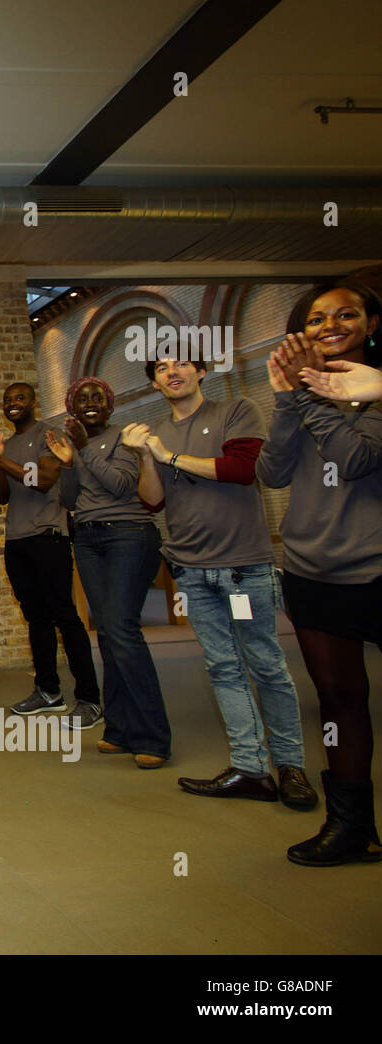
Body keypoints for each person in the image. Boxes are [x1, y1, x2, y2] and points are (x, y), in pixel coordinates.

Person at [122, 356, 317, 811]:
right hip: (190, 567)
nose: (172, 373)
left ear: (201, 372)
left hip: (243, 565)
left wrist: (166, 455)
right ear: (153, 382)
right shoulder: (155, 433)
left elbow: (241, 469)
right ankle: (251, 768)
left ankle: (291, 768)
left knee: (267, 665)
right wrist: (144, 459)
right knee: (224, 669)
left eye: (182, 365)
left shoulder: (235, 410)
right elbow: (153, 502)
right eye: (161, 369)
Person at [257, 278, 382, 864]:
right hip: (312, 569)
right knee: (337, 699)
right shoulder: (296, 396)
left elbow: (353, 458)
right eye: (315, 319)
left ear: (371, 325)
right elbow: (273, 472)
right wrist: (289, 400)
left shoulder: (380, 392)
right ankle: (352, 827)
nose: (329, 325)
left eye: (346, 314)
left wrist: (311, 399)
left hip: (376, 568)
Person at [46, 377, 171, 768]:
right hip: (87, 539)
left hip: (127, 536)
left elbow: (119, 485)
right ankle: (118, 729)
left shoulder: (125, 438)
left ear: (110, 403)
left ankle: (152, 735)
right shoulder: (75, 447)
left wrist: (83, 450)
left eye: (97, 396)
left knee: (122, 631)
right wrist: (68, 464)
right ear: (72, 407)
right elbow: (68, 499)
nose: (90, 403)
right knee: (108, 634)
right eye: (81, 399)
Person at [0, 383, 102, 726]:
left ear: (33, 403)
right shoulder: (9, 444)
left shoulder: (49, 435)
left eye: (19, 398)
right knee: (36, 619)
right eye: (7, 399)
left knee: (65, 617)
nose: (12, 404)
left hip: (49, 538)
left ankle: (89, 698)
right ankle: (48, 692)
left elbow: (43, 479)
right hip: (17, 541)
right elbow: (0, 496)